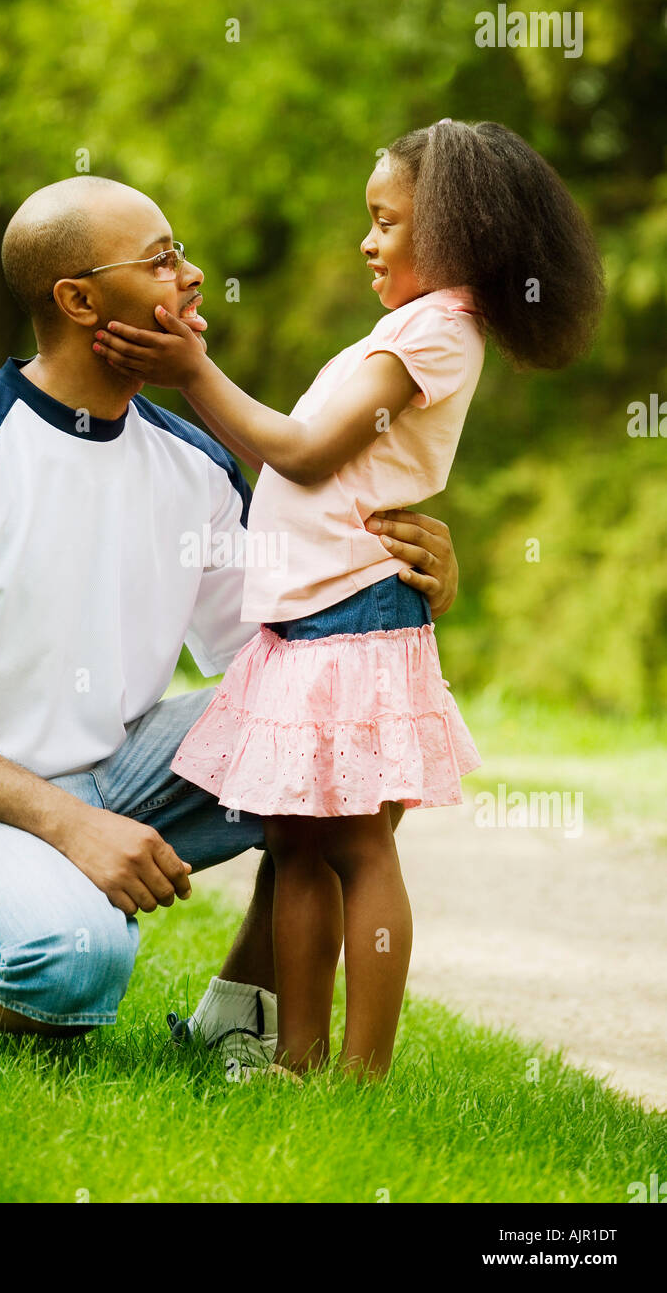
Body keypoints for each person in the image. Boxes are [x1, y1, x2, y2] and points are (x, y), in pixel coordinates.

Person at [0, 175, 462, 1064]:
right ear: (78, 299)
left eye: (182, 251)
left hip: (117, 773)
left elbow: (294, 651)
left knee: (345, 746)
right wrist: (68, 825)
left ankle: (239, 1012)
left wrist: (420, 582)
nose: (192, 277)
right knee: (78, 964)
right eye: (161, 262)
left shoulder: (193, 466)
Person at [94, 120, 605, 1078]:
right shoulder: (408, 328)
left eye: (385, 222)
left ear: (454, 232)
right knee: (294, 843)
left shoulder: (440, 333)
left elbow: (304, 449)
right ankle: (294, 1059)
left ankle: (361, 1077)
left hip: (355, 619)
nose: (366, 243)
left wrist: (191, 372)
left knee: (358, 846)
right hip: (306, 621)